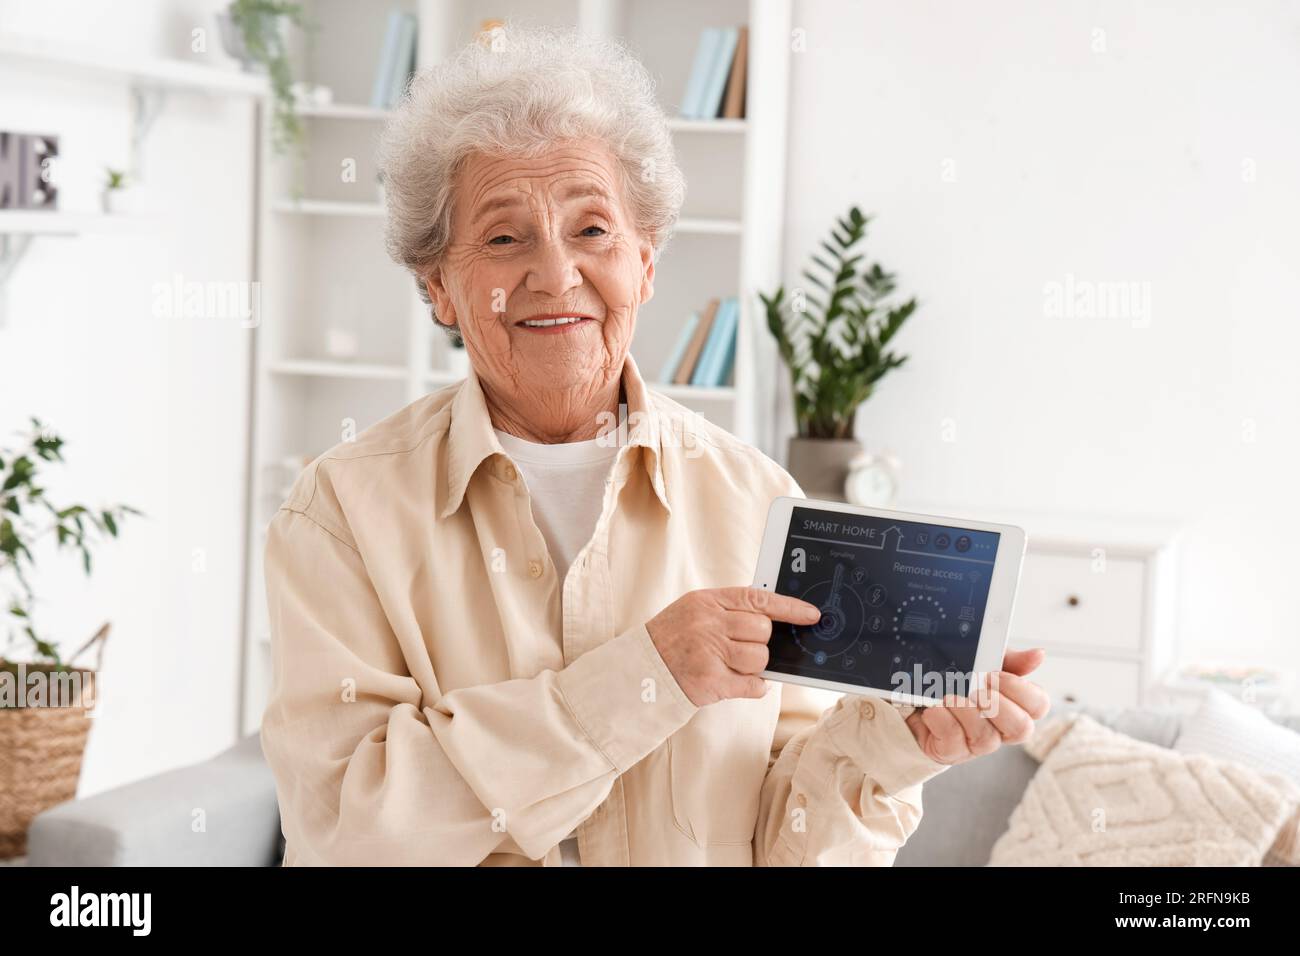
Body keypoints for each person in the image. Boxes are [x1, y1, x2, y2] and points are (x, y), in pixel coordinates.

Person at [259, 23, 1049, 866]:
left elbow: (786, 844)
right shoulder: (340, 512)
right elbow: (349, 829)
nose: (556, 274)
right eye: (502, 237)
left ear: (645, 264)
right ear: (438, 286)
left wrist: (898, 753)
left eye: (592, 230)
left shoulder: (756, 500)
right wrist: (645, 678)